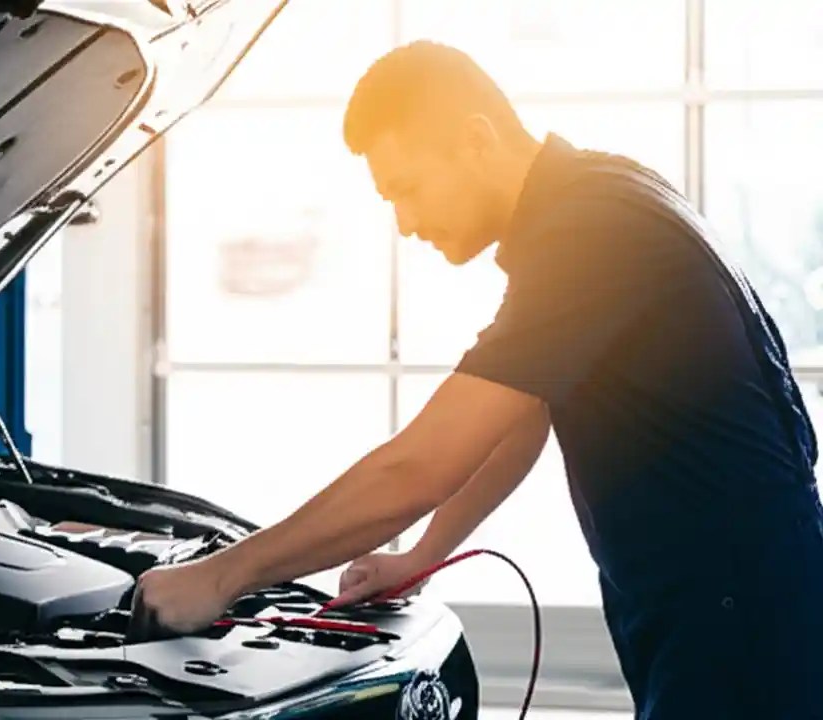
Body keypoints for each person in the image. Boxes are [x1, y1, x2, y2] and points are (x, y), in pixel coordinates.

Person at [130, 40, 823, 718]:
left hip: (740, 623)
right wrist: (424, 556)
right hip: (730, 602)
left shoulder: (591, 237)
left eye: (408, 189)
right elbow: (521, 418)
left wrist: (222, 576)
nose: (406, 223)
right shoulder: (597, 199)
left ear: (476, 139)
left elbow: (417, 468)